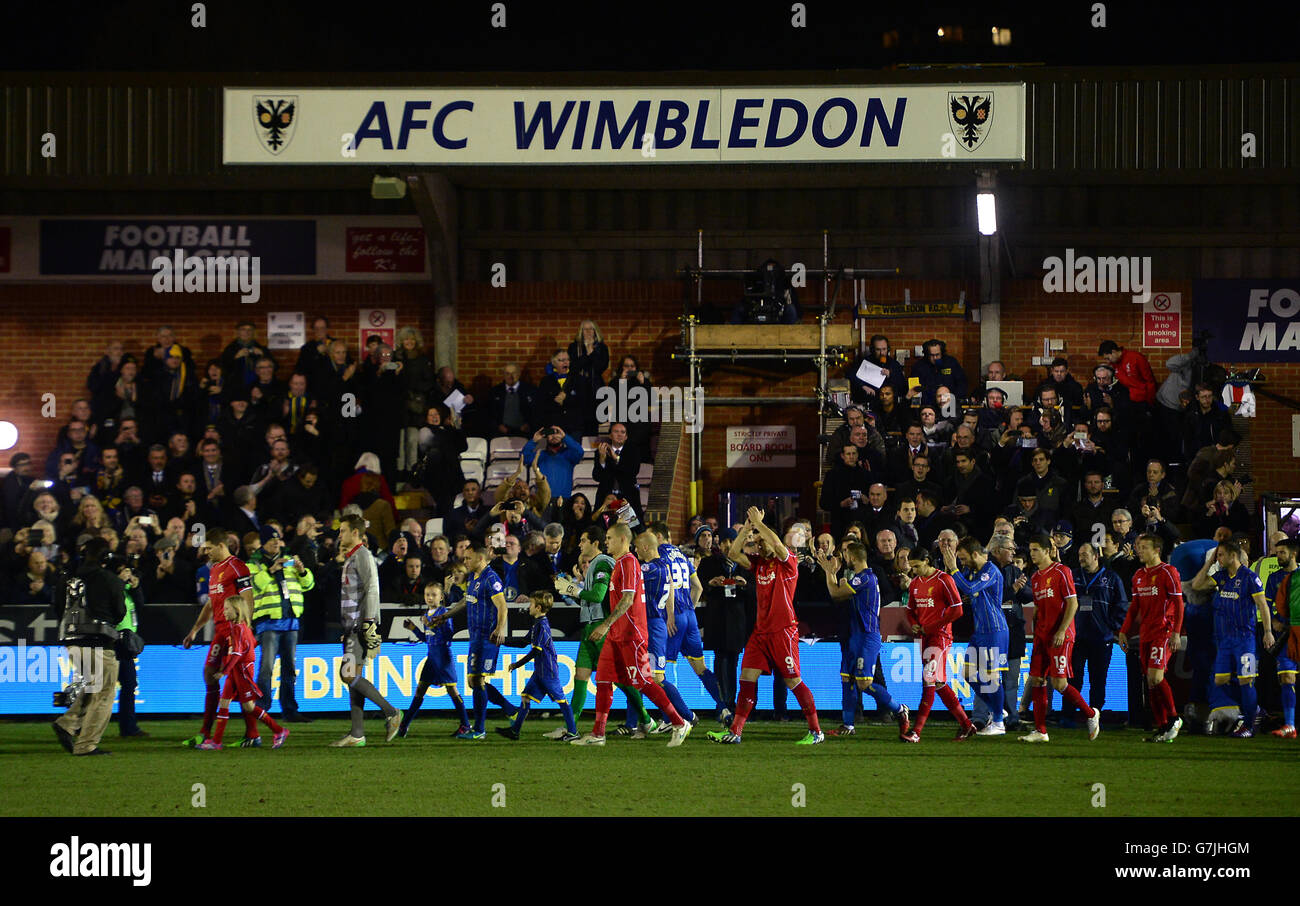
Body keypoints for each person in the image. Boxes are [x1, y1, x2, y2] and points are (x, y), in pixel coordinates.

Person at [708, 507, 823, 745]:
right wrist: (749, 528)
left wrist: (760, 525)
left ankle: (815, 731)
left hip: (783, 632)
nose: (759, 547)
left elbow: (776, 544)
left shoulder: (788, 561)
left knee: (793, 681)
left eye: (762, 543)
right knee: (746, 678)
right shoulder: (758, 564)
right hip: (760, 633)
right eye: (757, 544)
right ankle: (736, 732)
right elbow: (733, 552)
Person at [570, 522, 691, 747]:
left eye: (609, 538)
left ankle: (678, 722)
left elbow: (627, 599)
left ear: (623, 540)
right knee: (603, 680)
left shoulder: (628, 563)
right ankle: (598, 734)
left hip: (631, 635)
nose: (606, 542)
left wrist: (605, 625)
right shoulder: (618, 563)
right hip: (616, 635)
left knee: (644, 682)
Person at [549, 525, 654, 739]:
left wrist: (572, 590)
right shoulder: (596, 565)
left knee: (620, 679)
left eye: (583, 540)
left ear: (594, 543)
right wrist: (573, 587)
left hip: (602, 626)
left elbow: (597, 595)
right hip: (590, 626)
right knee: (581, 675)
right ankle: (572, 726)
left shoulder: (604, 563)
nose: (579, 545)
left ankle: (646, 718)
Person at [816, 542, 909, 738]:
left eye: (846, 555)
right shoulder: (859, 578)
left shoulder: (866, 578)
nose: (845, 559)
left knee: (864, 683)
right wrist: (831, 573)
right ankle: (848, 725)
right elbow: (838, 597)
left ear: (853, 557)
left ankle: (900, 709)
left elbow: (835, 593)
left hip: (867, 636)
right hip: (854, 636)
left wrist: (828, 572)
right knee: (847, 679)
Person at [330, 514, 403, 747]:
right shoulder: (351, 558)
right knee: (354, 677)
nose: (339, 535)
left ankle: (391, 712)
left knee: (348, 674)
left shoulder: (362, 555)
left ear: (355, 533)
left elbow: (372, 589)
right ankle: (357, 733)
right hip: (353, 626)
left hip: (360, 626)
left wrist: (369, 622)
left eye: (342, 531)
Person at [1020, 534, 1101, 743]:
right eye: (1030, 551)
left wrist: (1062, 630)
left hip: (1060, 636)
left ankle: (1091, 714)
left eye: (1036, 550)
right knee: (1037, 680)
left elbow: (1072, 603)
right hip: (1042, 635)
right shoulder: (1036, 577)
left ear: (1048, 550)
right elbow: (1038, 606)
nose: (1032, 554)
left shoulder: (1061, 572)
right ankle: (1041, 731)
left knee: (1059, 682)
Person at [180, 529, 256, 748]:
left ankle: (252, 734)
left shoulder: (237, 567)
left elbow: (247, 599)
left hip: (235, 632)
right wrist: (195, 629)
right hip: (220, 633)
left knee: (241, 683)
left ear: (221, 546)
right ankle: (205, 732)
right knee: (209, 674)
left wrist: (243, 630)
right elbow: (211, 603)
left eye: (208, 547)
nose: (205, 552)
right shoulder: (214, 570)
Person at [1190, 539, 1273, 738]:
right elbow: (1197, 585)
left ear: (1232, 555)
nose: (1218, 558)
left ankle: (1250, 725)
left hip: (1245, 639)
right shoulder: (1221, 577)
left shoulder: (1250, 578)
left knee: (1247, 681)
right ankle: (1256, 711)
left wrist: (1268, 631)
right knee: (1220, 680)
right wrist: (1209, 563)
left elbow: (1262, 605)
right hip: (1225, 641)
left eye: (1220, 555)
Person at [51, 538, 126, 756]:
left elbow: (57, 608)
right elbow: (120, 612)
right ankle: (86, 744)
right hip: (98, 642)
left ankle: (67, 723)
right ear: (105, 558)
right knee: (104, 692)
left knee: (95, 685)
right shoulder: (109, 579)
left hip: (70, 642)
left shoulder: (66, 578)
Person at [431, 542, 513, 739]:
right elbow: (466, 600)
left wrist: (500, 629)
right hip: (475, 636)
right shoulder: (474, 578)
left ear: (480, 558)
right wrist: (446, 615)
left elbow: (502, 606)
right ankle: (510, 709)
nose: (465, 561)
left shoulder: (491, 578)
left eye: (468, 558)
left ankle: (479, 729)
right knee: (473, 680)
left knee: (476, 679)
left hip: (487, 636)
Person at [650, 522, 727, 720]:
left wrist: (672, 615)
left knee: (660, 673)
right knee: (701, 668)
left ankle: (673, 718)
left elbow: (669, 586)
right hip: (689, 617)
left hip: (672, 618)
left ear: (659, 537)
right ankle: (723, 707)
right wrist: (688, 609)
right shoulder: (682, 555)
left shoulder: (659, 555)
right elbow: (698, 588)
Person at [899, 547, 975, 742]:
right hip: (924, 637)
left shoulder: (944, 580)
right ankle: (967, 725)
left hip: (940, 636)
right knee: (939, 683)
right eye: (912, 567)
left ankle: (916, 731)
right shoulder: (915, 583)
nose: (914, 570)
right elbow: (910, 610)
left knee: (928, 679)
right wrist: (915, 625)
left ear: (927, 561)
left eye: (917, 566)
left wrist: (932, 626)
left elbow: (957, 610)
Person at [195, 597, 289, 749]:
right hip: (236, 671)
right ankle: (216, 742)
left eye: (227, 609)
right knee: (224, 703)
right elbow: (249, 644)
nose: (223, 612)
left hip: (242, 671)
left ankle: (279, 731)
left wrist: (224, 671)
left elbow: (237, 653)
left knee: (249, 707)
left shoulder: (239, 628)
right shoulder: (237, 627)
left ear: (236, 610)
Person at [942, 536, 1010, 735]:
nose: (962, 563)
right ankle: (997, 709)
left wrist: (953, 568)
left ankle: (998, 722)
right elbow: (958, 585)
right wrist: (949, 568)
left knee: (991, 678)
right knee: (968, 675)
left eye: (963, 559)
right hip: (979, 631)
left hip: (994, 631)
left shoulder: (991, 571)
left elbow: (969, 588)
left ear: (975, 554)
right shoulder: (970, 571)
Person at [247, 525, 314, 723]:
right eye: (271, 541)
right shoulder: (253, 564)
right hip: (268, 622)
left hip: (291, 621)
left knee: (289, 668)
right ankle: (262, 709)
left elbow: (309, 584)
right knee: (266, 667)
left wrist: (302, 571)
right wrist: (271, 570)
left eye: (278, 540)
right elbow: (255, 585)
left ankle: (289, 710)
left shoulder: (290, 561)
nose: (276, 543)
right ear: (263, 543)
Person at [634, 528, 697, 729]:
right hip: (657, 623)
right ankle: (647, 721)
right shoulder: (664, 566)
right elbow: (670, 589)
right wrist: (670, 615)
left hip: (653, 626)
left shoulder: (650, 568)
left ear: (645, 547)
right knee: (643, 676)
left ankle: (686, 716)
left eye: (636, 547)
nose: (635, 551)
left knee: (656, 677)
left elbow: (632, 576)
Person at [496, 592, 580, 741]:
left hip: (548, 671)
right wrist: (501, 640)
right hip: (540, 671)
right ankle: (515, 731)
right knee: (525, 698)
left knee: (562, 700)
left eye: (531, 604)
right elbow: (523, 642)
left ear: (538, 607)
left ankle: (573, 732)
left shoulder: (542, 625)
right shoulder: (537, 624)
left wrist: (517, 664)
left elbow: (536, 651)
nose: (529, 607)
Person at [1063, 542, 1128, 728]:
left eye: (1085, 554)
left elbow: (1122, 605)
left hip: (1101, 639)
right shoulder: (1073, 576)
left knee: (1098, 679)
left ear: (1095, 556)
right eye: (1079, 554)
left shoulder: (1111, 577)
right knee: (1073, 678)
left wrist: (1111, 626)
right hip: (1076, 638)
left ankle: (1094, 715)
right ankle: (1068, 716)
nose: (1081, 557)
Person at [399, 579, 471, 737]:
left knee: (452, 690)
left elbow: (448, 635)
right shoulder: (426, 614)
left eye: (433, 595)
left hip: (443, 657)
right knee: (420, 690)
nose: (429, 597)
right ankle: (404, 725)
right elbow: (427, 638)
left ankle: (465, 724)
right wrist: (414, 629)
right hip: (431, 658)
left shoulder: (444, 614)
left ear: (440, 598)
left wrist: (431, 625)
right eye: (427, 594)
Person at [1264, 539, 1300, 738]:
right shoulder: (1273, 578)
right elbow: (1266, 604)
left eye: (1282, 553)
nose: (1278, 556)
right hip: (1284, 637)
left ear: (1293, 554)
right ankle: (1289, 725)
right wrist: (1273, 624)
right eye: (1277, 552)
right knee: (1287, 678)